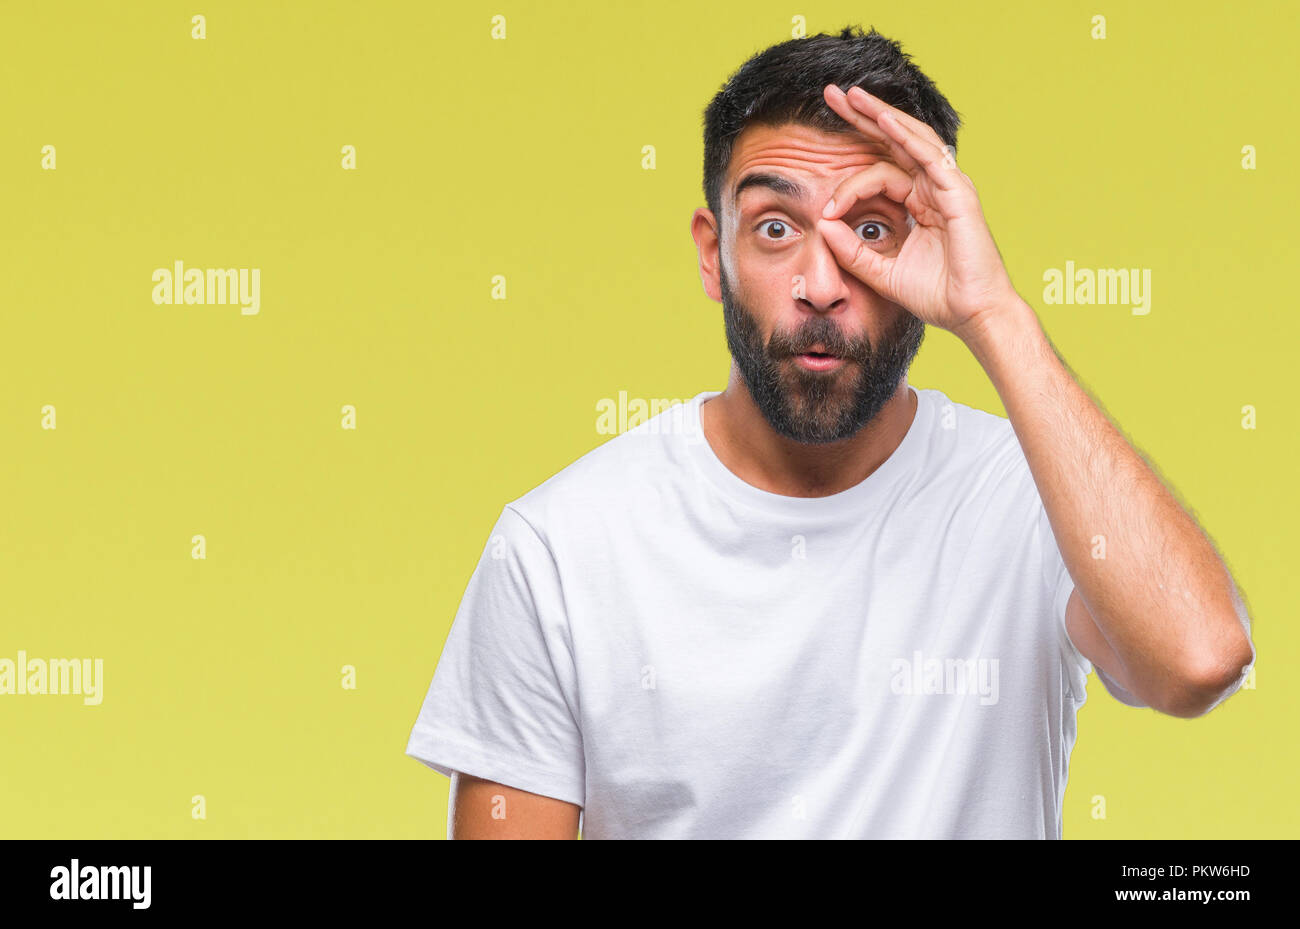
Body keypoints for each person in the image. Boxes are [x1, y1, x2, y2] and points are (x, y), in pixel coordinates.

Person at [405, 25, 1255, 839]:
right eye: (776, 228)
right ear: (714, 253)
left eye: (871, 229)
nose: (820, 283)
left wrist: (994, 312)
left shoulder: (1032, 499)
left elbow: (1198, 658)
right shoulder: (557, 549)